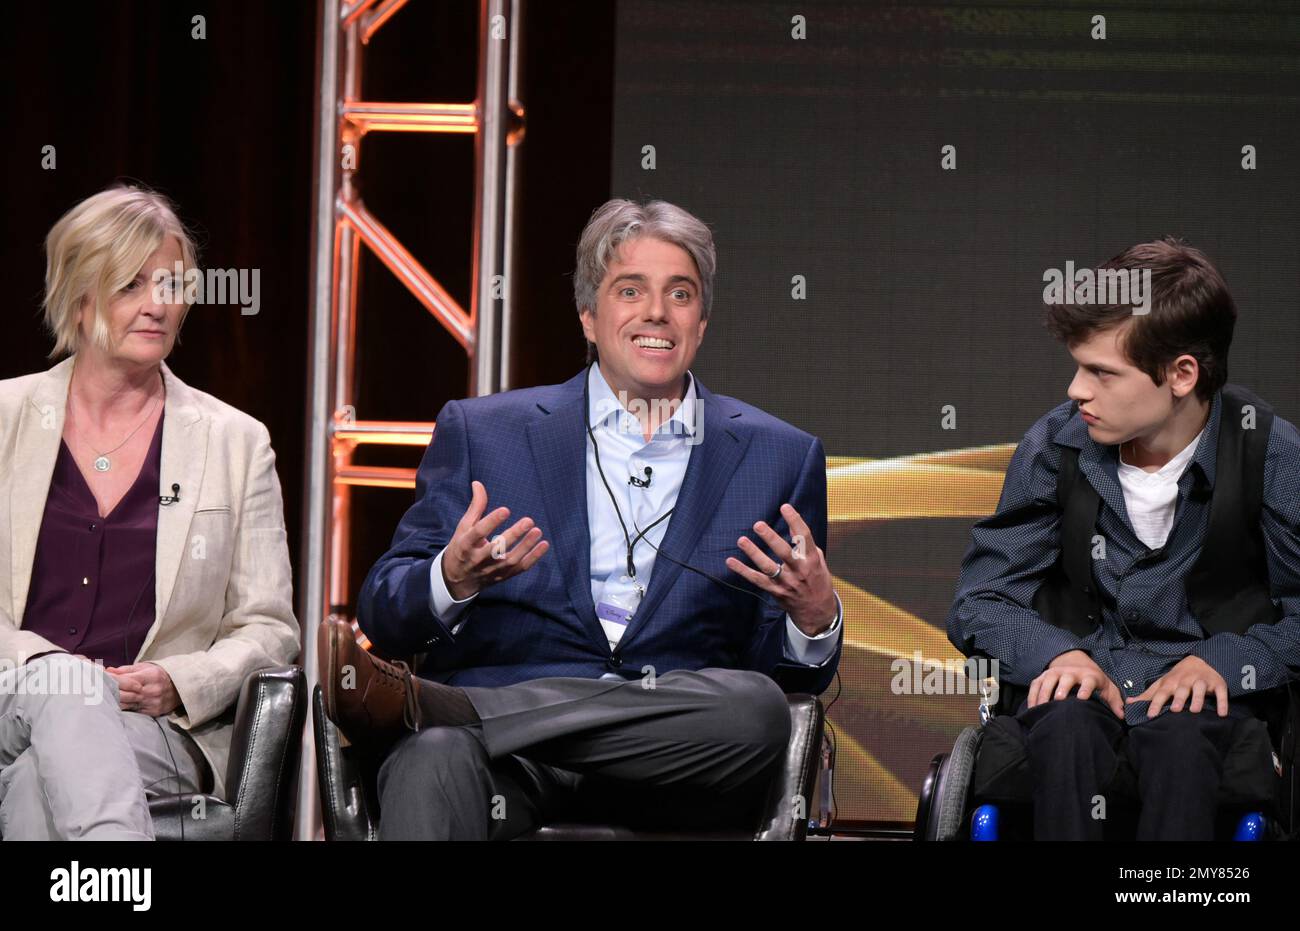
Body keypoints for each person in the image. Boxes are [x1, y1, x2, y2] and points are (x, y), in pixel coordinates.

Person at [320, 198, 844, 840]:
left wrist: (813, 621)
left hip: (677, 763)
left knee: (757, 709)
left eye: (679, 294)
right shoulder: (487, 433)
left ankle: (452, 709)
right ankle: (466, 722)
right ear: (590, 317)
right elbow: (384, 615)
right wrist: (450, 579)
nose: (657, 311)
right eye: (631, 290)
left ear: (701, 324)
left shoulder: (778, 455)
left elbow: (790, 675)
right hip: (516, 769)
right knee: (431, 757)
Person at [948, 237, 1300, 840]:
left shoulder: (1269, 452)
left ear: (1181, 374)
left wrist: (1226, 662)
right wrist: (1056, 654)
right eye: (1079, 366)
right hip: (1081, 692)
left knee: (1185, 738)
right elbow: (981, 599)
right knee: (1064, 726)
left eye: (1101, 372)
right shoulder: (1056, 444)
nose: (1076, 390)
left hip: (1205, 706)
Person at [0, 184, 299, 839]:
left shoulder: (233, 441)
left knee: (33, 786)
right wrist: (54, 669)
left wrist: (180, 678)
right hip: (9, 699)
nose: (158, 305)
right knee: (63, 692)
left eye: (171, 284)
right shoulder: (5, 420)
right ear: (79, 298)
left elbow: (270, 628)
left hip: (154, 732)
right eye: (132, 285)